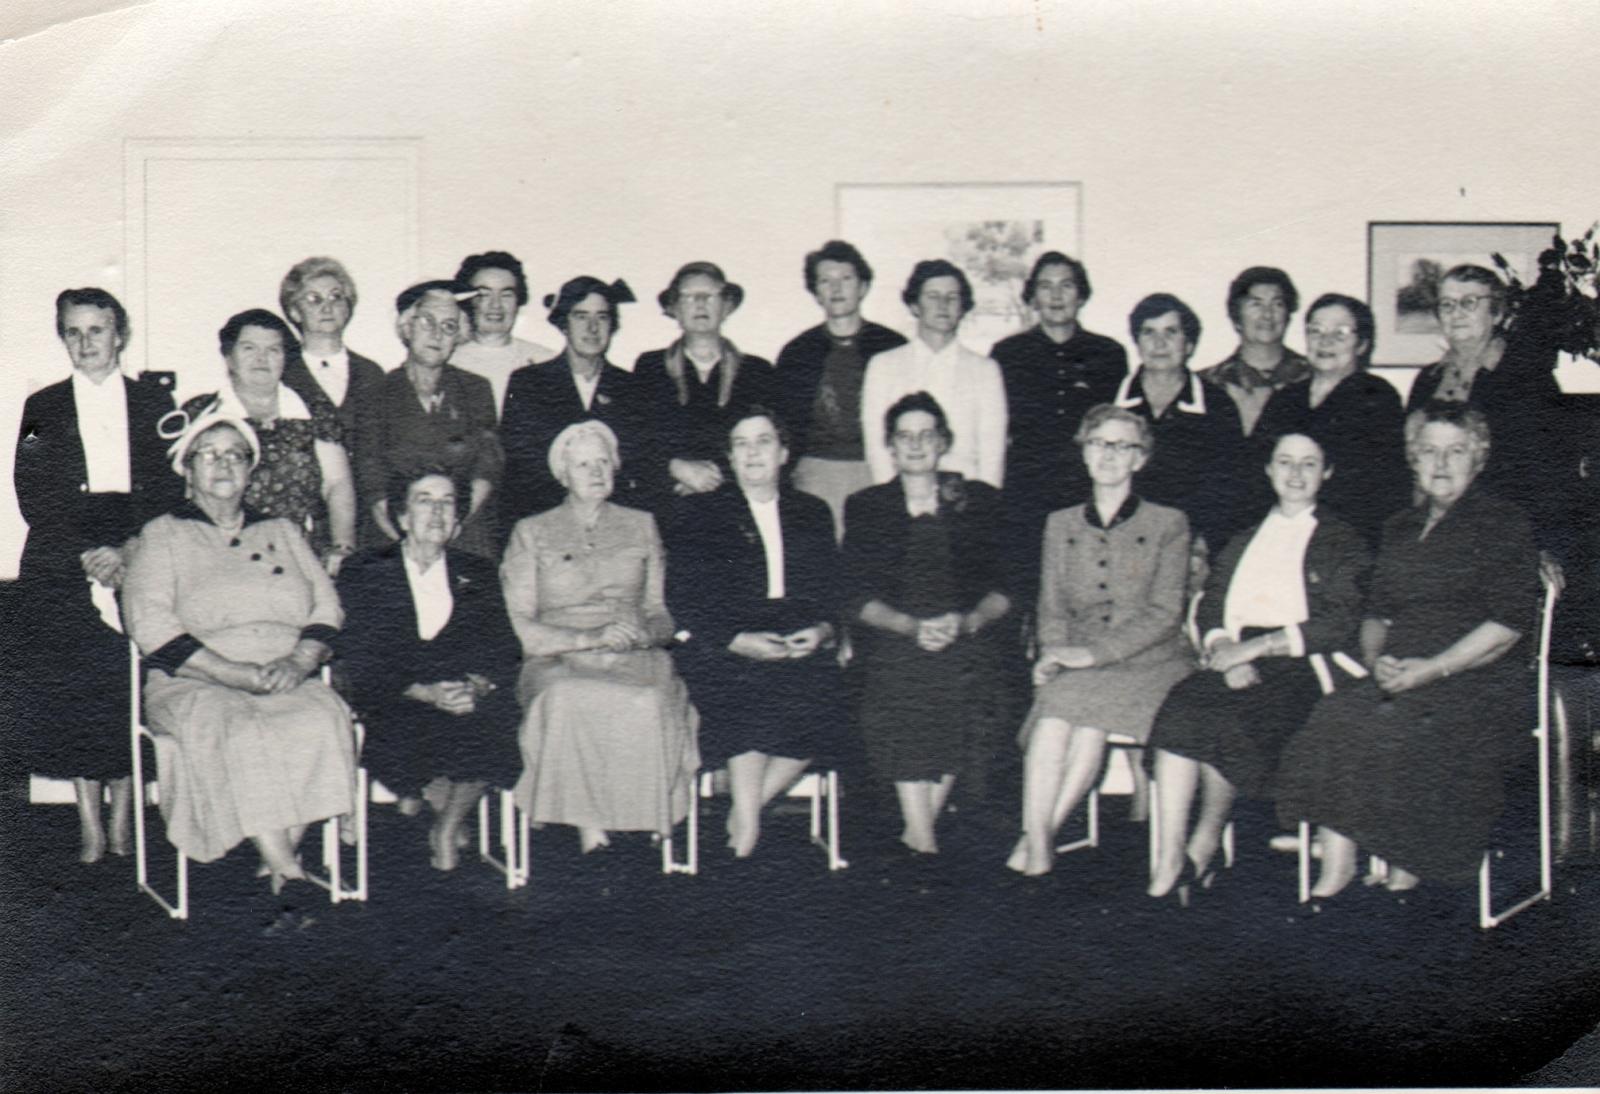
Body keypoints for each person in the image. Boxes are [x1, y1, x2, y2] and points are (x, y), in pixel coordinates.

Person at [1275, 403, 1541, 897]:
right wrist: (1378, 662)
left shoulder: (1503, 521)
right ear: (1412, 459)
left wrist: (1433, 669)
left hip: (1477, 676)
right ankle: (1340, 862)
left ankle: (1405, 862)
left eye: (1456, 451)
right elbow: (1376, 613)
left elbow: (1507, 626)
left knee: (1399, 725)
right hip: (1400, 670)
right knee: (1338, 713)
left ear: (1479, 458)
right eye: (1429, 451)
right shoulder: (1400, 526)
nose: (1441, 464)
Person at [120, 412, 357, 890]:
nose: (223, 464)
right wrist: (232, 673)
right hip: (195, 679)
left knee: (324, 715)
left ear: (251, 471)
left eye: (235, 454)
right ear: (186, 470)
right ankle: (288, 871)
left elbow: (327, 605)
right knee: (242, 726)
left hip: (284, 671)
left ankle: (277, 864)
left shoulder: (284, 531)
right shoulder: (163, 534)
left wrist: (301, 660)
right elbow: (148, 623)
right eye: (209, 454)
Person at [1145, 432, 1370, 901]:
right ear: (1268, 470)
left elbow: (1340, 621)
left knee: (1232, 718)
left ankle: (1203, 844)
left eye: (1309, 464)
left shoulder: (1341, 538)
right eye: (1284, 462)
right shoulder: (1245, 535)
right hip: (1234, 657)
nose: (1295, 473)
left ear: (1327, 473)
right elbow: (1210, 606)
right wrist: (1225, 648)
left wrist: (1255, 651)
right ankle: (1168, 859)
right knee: (1182, 706)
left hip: (1304, 662)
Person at [11, 287, 182, 863]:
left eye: (97, 330)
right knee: (77, 692)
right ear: (63, 338)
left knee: (127, 687)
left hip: (140, 543)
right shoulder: (42, 408)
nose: (86, 343)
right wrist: (88, 550)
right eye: (74, 332)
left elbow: (168, 488)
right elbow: (32, 489)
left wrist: (131, 549)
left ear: (120, 334)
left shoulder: (155, 405)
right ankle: (88, 824)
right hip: (63, 554)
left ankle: (125, 821)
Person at [1007, 404, 1193, 877]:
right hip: (1078, 657)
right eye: (1099, 444)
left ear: (1140, 459)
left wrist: (1091, 655)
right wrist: (1052, 654)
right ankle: (1042, 850)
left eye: (1122, 446)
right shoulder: (1060, 523)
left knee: (1081, 715)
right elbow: (1051, 608)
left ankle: (1031, 847)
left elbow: (1166, 613)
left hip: (1149, 661)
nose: (1109, 455)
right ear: (1084, 453)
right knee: (1058, 720)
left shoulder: (1169, 523)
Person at [501, 421, 698, 853]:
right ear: (563, 474)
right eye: (583, 463)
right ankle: (591, 826)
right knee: (568, 696)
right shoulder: (531, 531)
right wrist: (589, 637)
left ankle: (647, 817)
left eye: (603, 461)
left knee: (650, 700)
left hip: (632, 651)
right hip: (559, 656)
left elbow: (661, 612)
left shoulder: (642, 524)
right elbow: (520, 628)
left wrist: (645, 635)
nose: (595, 471)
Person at [668, 407, 842, 858]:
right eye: (741, 444)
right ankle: (747, 833)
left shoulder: (812, 512)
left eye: (763, 441)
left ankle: (744, 813)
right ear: (729, 456)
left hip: (797, 639)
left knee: (825, 702)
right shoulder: (699, 513)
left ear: (784, 453)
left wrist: (821, 632)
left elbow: (833, 591)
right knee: (749, 694)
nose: (753, 452)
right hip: (725, 642)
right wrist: (735, 639)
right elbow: (683, 599)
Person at [844, 393, 1010, 854]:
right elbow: (855, 596)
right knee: (904, 680)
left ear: (944, 443)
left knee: (972, 686)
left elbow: (1007, 586)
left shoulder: (976, 500)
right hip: (895, 634)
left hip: (965, 632)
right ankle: (924, 840)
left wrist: (969, 621)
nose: (916, 445)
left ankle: (917, 836)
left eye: (927, 434)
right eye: (904, 436)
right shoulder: (867, 505)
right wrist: (910, 627)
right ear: (890, 447)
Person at [336, 469, 522, 870]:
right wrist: (424, 691)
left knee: (493, 721)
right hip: (398, 695)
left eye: (448, 502)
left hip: (462, 696)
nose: (438, 512)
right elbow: (360, 653)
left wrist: (476, 685)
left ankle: (445, 827)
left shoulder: (479, 571)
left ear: (458, 520)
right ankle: (428, 810)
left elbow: (504, 648)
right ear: (401, 516)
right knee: (407, 731)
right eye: (425, 500)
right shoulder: (365, 569)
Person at [991, 251, 1128, 602]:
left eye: (1066, 286)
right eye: (1045, 286)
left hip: (1086, 486)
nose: (1055, 296)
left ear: (1081, 295)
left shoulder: (1108, 353)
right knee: (1024, 584)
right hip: (1026, 489)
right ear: (1032, 296)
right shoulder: (1007, 353)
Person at [180, 309, 357, 570]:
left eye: (274, 350)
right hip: (217, 556)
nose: (262, 358)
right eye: (249, 348)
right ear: (229, 357)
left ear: (286, 358)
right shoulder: (202, 412)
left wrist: (343, 548)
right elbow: (184, 491)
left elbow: (337, 484)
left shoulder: (314, 412)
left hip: (301, 555)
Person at [1404, 263, 1568, 540]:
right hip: (1428, 527)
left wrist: (1539, 546)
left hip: (1499, 531)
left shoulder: (1528, 377)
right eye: (1447, 304)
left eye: (1469, 303)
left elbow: (1547, 475)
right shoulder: (1427, 380)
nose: (1456, 313)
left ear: (1497, 312)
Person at [358, 281, 503, 559]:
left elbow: (487, 466)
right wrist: (406, 535)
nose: (437, 334)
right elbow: (370, 474)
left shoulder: (476, 389)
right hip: (393, 530)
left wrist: (451, 524)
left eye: (449, 326)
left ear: (458, 337)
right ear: (408, 327)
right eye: (428, 322)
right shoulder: (375, 393)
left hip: (463, 529)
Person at [773, 240, 908, 538]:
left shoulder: (893, 346)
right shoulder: (797, 353)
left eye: (845, 279)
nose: (836, 288)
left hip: (879, 469)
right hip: (816, 472)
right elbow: (782, 425)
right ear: (816, 293)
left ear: (863, 287)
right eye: (825, 280)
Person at [1252, 294, 1410, 545]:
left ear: (1361, 344)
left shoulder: (1377, 396)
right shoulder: (1287, 397)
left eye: (1340, 333)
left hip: (1346, 538)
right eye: (1315, 331)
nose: (1325, 341)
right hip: (1283, 527)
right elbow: (1255, 470)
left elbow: (1378, 487)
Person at [500, 276, 646, 522]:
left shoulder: (633, 388)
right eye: (581, 316)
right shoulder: (529, 383)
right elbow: (519, 469)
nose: (592, 328)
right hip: (546, 525)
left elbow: (638, 466)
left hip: (614, 527)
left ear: (612, 326)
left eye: (602, 317)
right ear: (564, 324)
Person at [634, 261, 776, 511]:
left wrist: (709, 478)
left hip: (738, 505)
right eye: (689, 297)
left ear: (726, 307)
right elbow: (637, 439)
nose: (700, 304)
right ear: (675, 309)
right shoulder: (651, 367)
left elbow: (770, 447)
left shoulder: (757, 371)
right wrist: (676, 468)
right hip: (667, 503)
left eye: (710, 296)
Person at [1114, 292, 1246, 559]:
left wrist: (1202, 547)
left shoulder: (1217, 405)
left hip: (1189, 548)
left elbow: (1228, 490)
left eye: (1171, 332)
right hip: (1118, 543)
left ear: (1189, 344)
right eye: (1149, 332)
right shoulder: (1111, 401)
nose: (1159, 343)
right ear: (1137, 342)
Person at [859, 260, 1007, 489]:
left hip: (965, 497)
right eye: (932, 296)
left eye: (952, 297)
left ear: (962, 307)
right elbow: (878, 449)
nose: (943, 305)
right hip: (903, 495)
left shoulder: (986, 370)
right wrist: (891, 503)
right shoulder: (883, 366)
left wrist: (984, 508)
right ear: (915, 305)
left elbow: (992, 456)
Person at [277, 256, 388, 545]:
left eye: (336, 297)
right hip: (302, 520)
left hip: (368, 520)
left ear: (348, 307)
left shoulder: (372, 373)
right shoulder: (282, 373)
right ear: (295, 311)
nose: (327, 307)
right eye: (313, 299)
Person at [1198, 267, 1310, 436]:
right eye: (1256, 304)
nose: (1267, 314)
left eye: (1277, 304)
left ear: (1288, 315)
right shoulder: (1206, 384)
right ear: (1236, 316)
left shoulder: (1314, 377)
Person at [450, 250, 557, 419]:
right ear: (467, 301)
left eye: (506, 295)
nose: (496, 305)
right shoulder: (448, 360)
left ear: (518, 301)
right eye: (484, 294)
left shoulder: (545, 361)